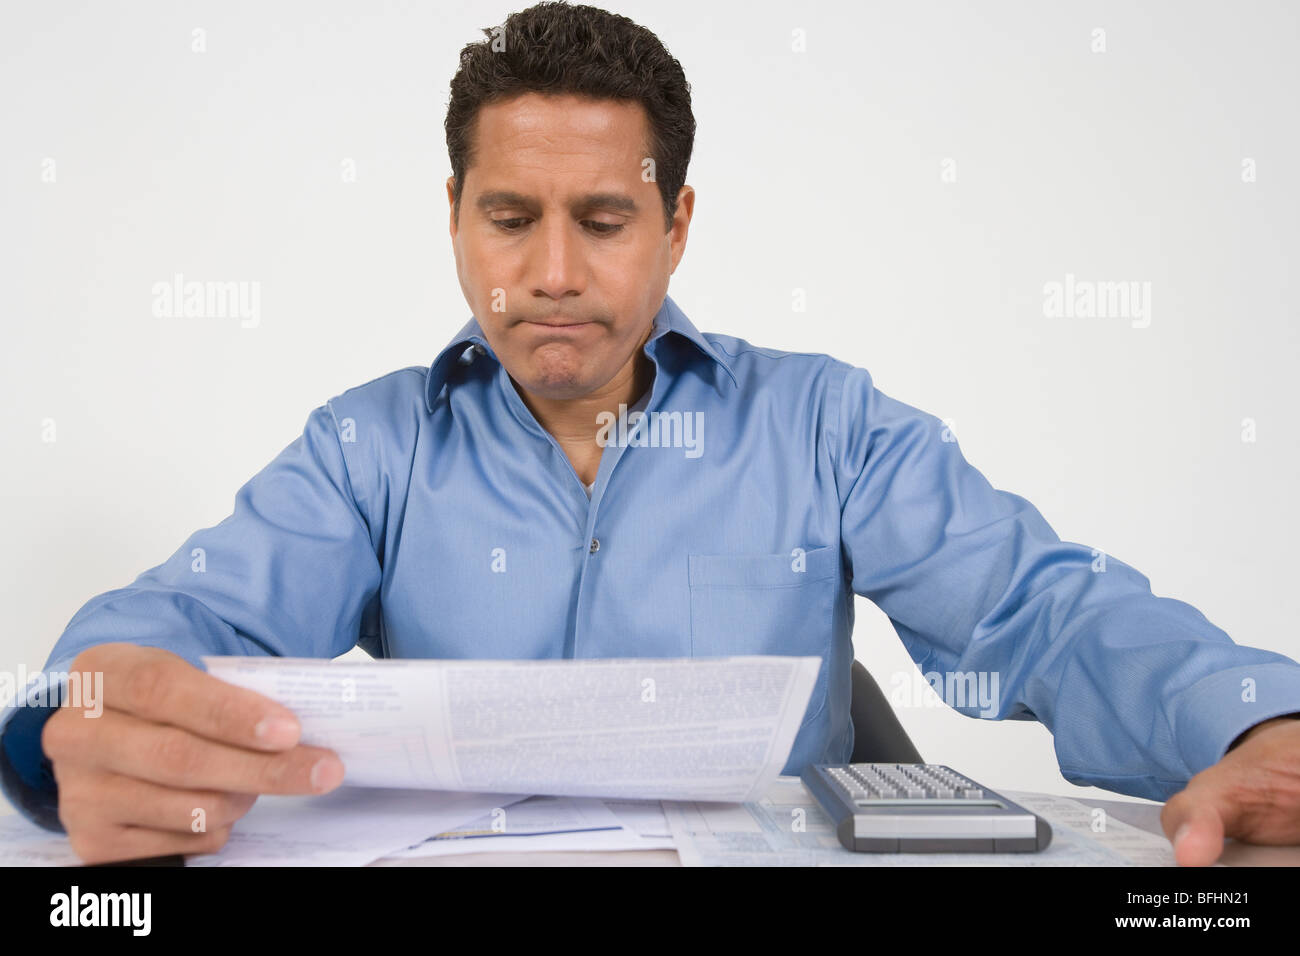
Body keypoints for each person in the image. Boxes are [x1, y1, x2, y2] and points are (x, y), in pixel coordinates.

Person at [5, 1, 1300, 867]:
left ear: (677, 223)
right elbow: (187, 621)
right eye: (511, 217)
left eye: (606, 222)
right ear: (454, 217)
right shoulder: (369, 451)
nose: (553, 272)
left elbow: (1049, 613)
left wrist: (1256, 726)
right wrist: (72, 723)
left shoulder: (826, 427)